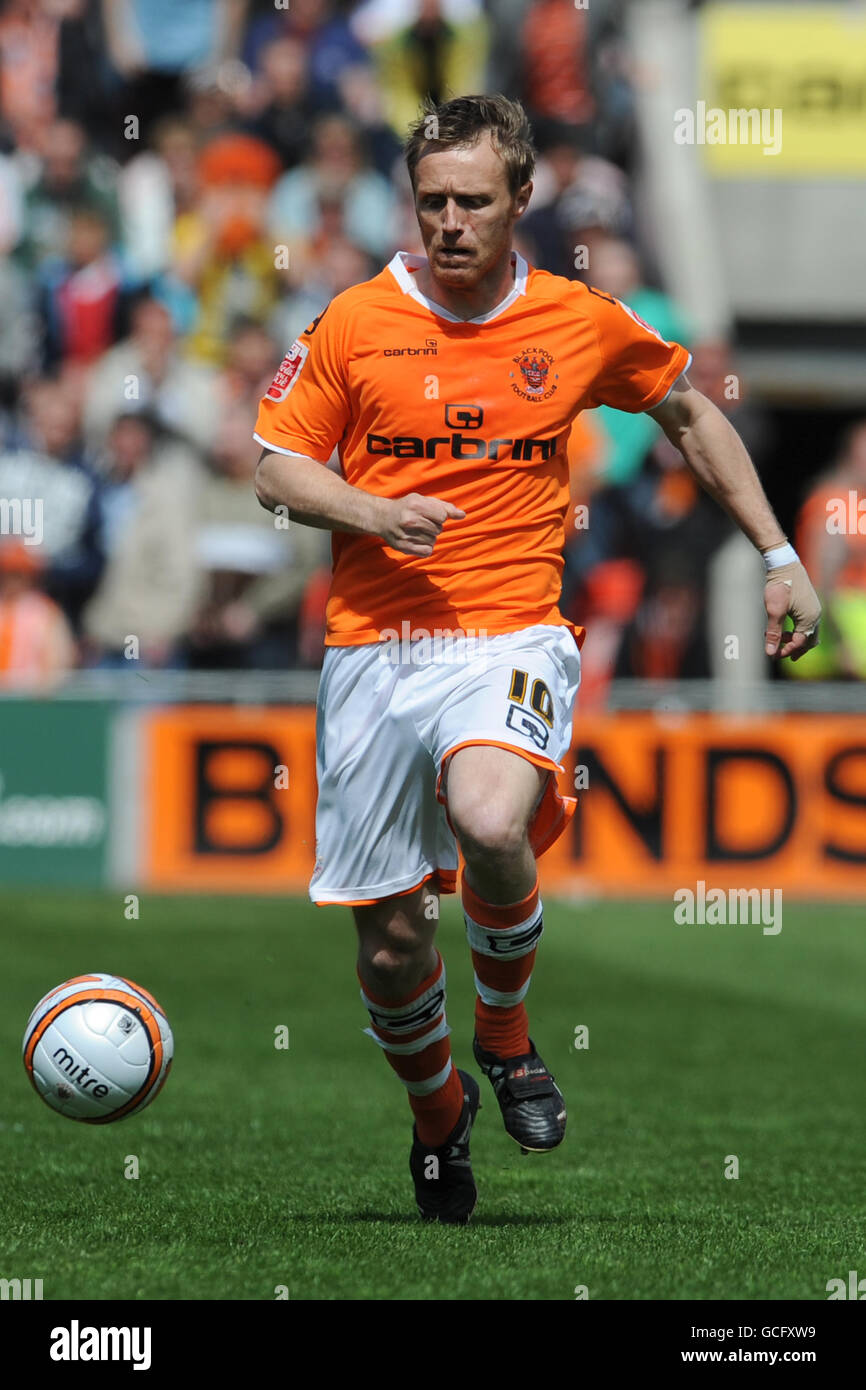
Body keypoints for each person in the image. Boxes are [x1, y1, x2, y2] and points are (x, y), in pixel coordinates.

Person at [253, 94, 821, 1225]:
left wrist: (775, 552)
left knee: (494, 816)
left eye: (472, 200)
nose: (449, 222)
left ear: (520, 199)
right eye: (430, 202)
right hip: (373, 651)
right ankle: (435, 1117)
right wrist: (369, 508)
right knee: (389, 946)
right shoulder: (354, 321)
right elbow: (273, 467)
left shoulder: (577, 320)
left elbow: (691, 416)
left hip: (509, 631)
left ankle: (506, 1039)